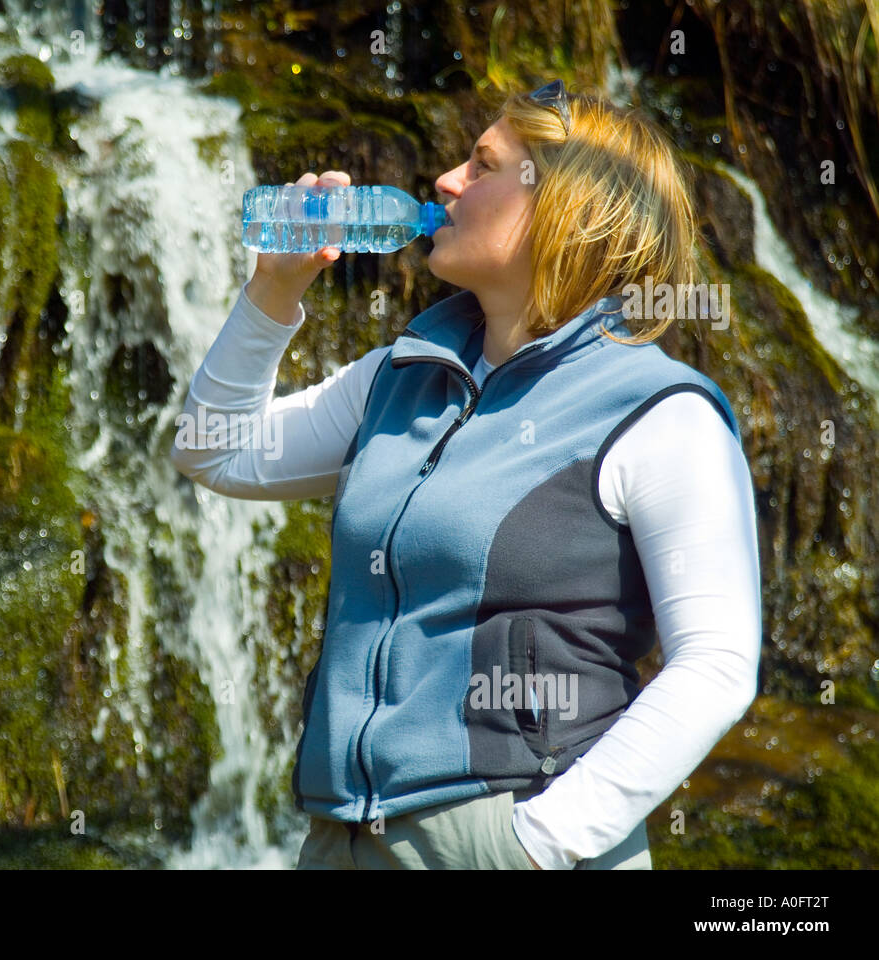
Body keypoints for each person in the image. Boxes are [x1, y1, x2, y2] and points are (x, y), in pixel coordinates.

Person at [169, 80, 761, 869]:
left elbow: (717, 664)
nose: (446, 180)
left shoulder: (659, 413)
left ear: (567, 208)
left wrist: (536, 845)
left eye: (482, 165)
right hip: (341, 838)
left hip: (509, 839)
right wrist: (273, 291)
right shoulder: (401, 373)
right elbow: (215, 451)